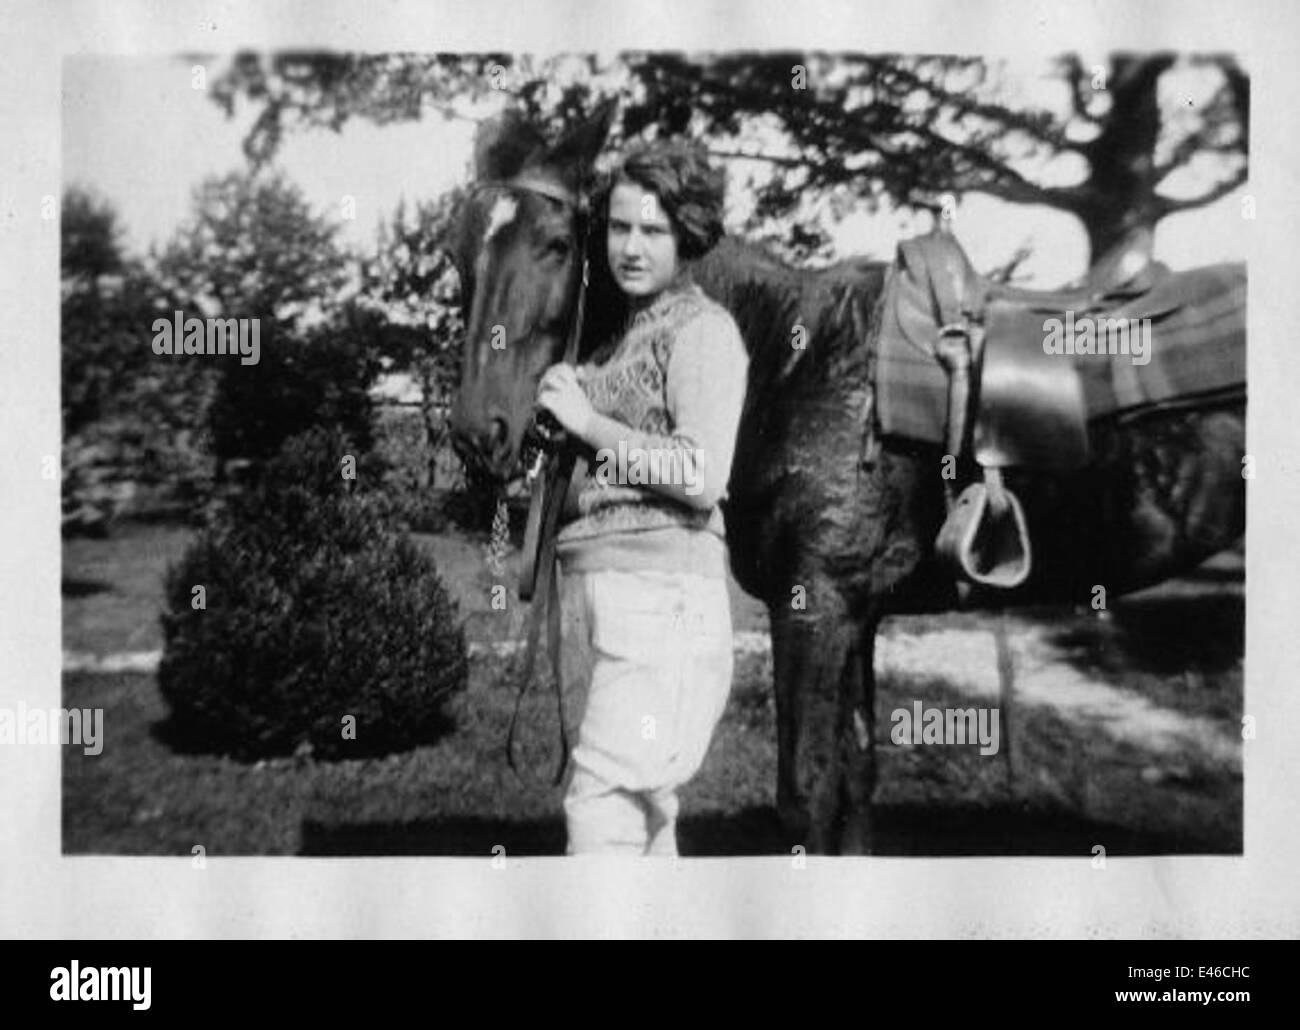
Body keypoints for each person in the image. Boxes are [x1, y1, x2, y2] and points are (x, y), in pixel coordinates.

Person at [534, 138, 749, 857]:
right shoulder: (608, 346)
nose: (630, 247)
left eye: (652, 231)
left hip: (664, 602)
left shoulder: (704, 332)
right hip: (600, 591)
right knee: (645, 813)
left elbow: (702, 474)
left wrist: (590, 424)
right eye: (619, 227)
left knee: (600, 805)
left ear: (686, 236)